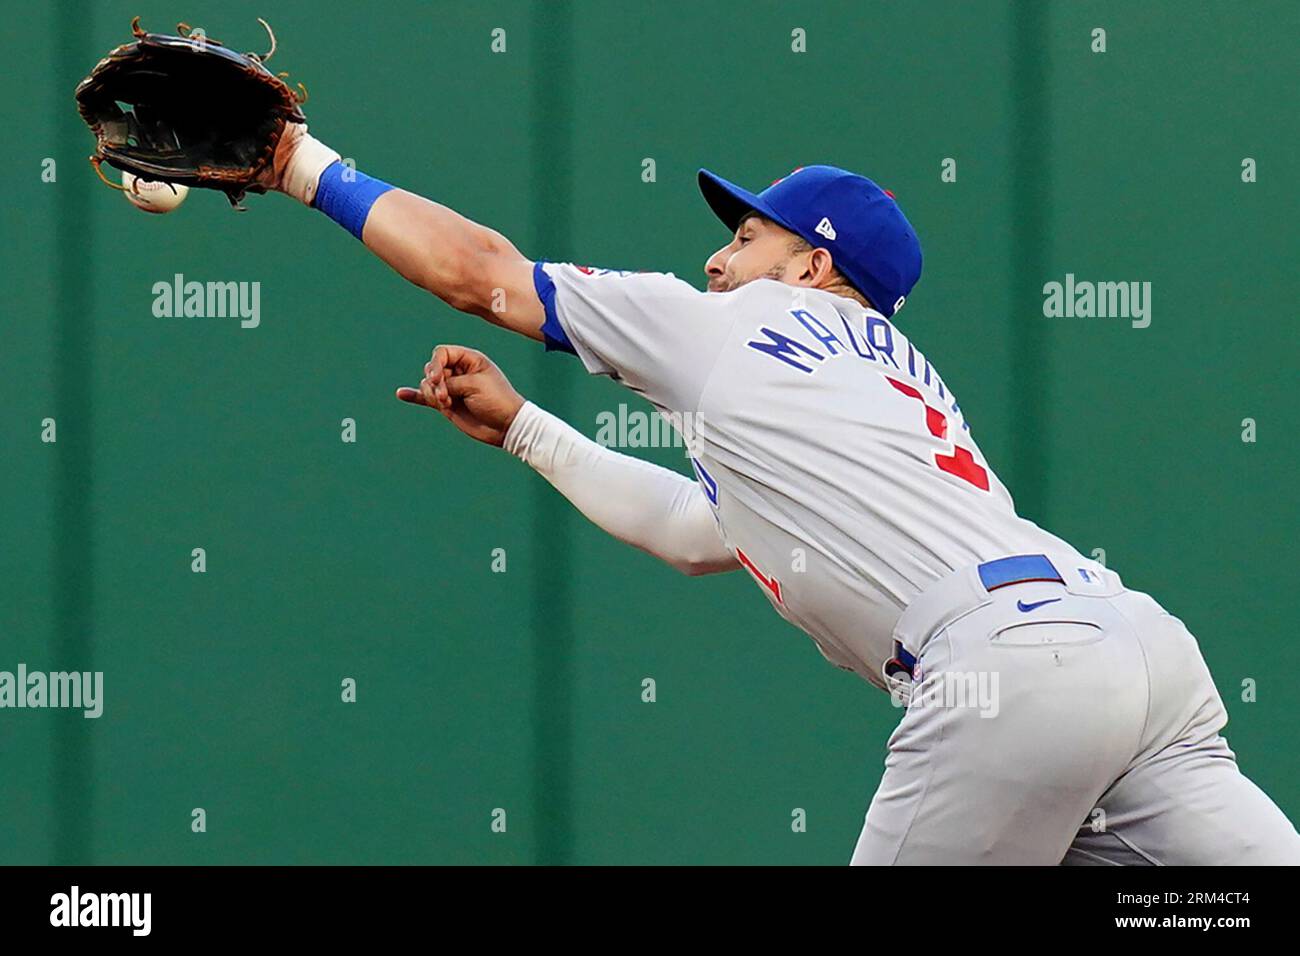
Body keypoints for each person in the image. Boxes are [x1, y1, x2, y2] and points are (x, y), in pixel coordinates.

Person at [258, 124, 1300, 864]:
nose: (715, 259)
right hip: (1133, 654)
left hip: (1008, 676)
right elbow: (692, 530)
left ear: (812, 264)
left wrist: (302, 166)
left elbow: (475, 271)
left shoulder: (735, 327)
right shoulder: (879, 378)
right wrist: (531, 431)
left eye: (747, 238)